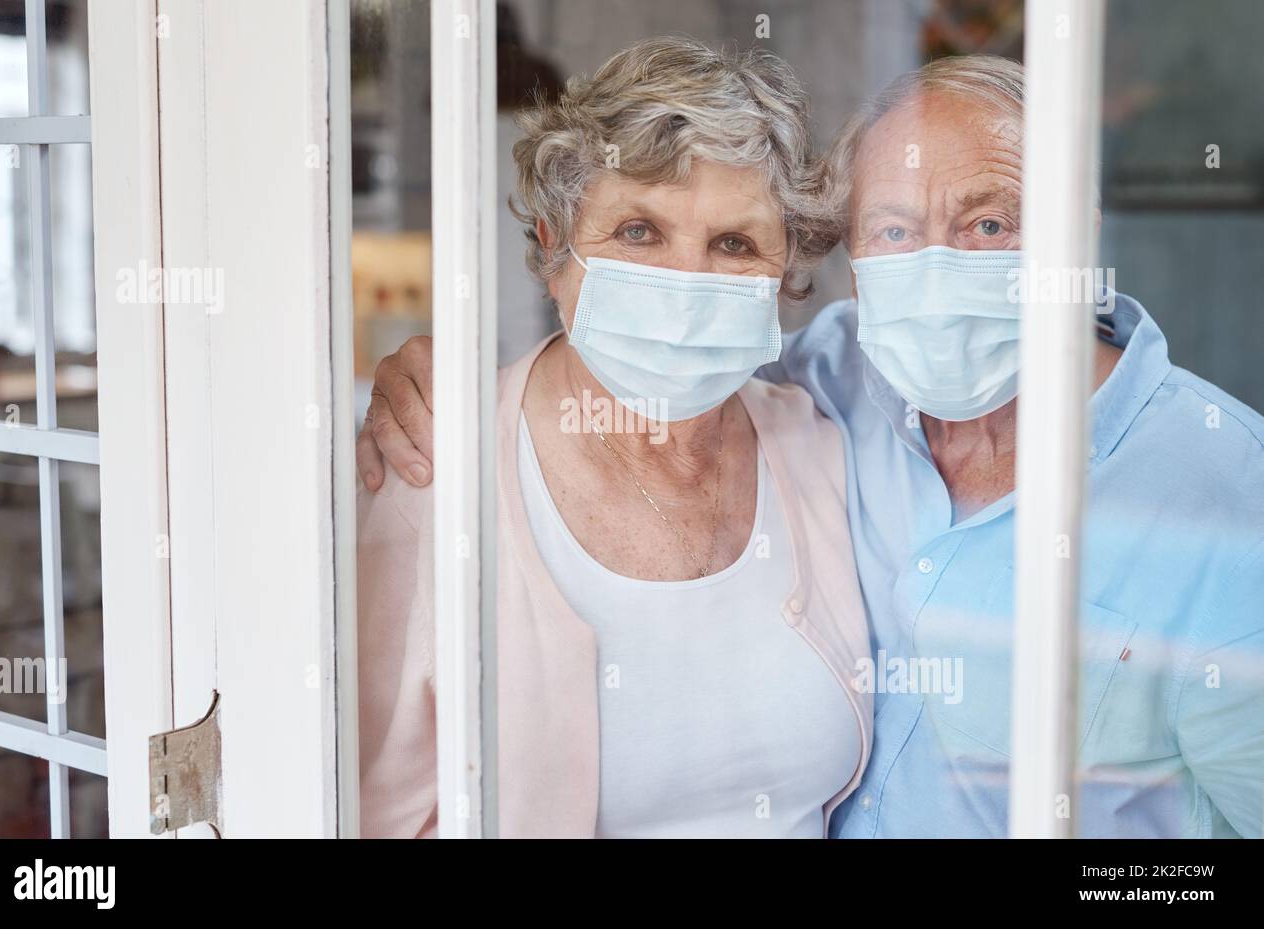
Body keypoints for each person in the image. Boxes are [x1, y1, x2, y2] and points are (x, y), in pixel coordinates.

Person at [362, 52, 1264, 839]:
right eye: (898, 231)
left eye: (990, 224)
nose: (685, 289)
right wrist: (410, 376)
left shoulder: (1226, 493)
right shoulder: (831, 387)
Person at [357, 37, 871, 838]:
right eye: (638, 231)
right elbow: (365, 809)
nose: (686, 283)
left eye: (734, 243)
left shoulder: (823, 452)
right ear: (556, 248)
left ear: (786, 276)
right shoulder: (438, 467)